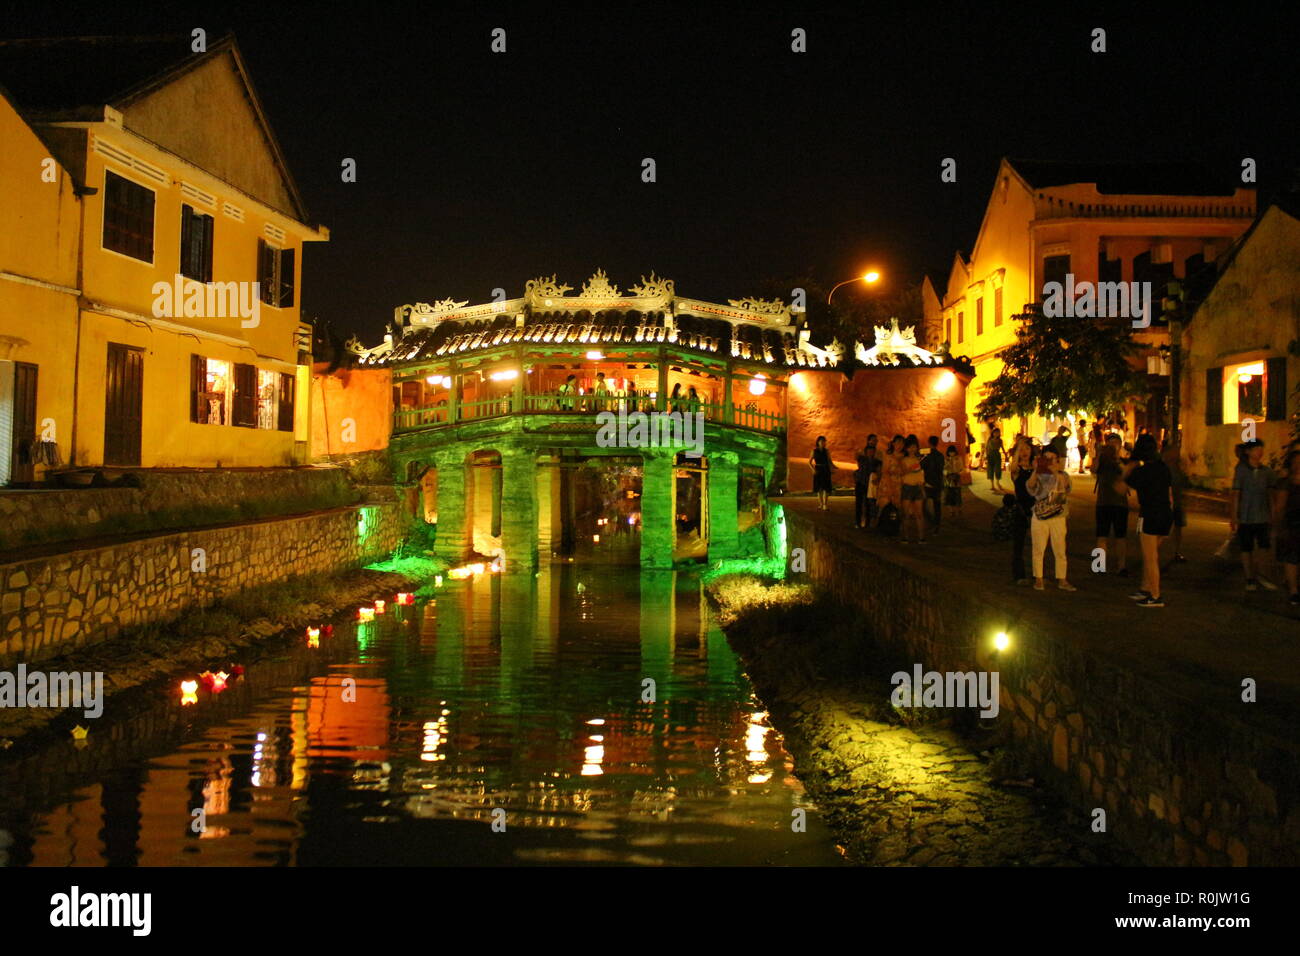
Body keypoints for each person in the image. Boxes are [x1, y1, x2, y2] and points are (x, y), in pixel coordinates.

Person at [1116, 434, 1174, 608]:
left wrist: (1129, 467)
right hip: (1166, 514)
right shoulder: (1163, 468)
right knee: (1151, 554)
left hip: (1150, 514)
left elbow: (1119, 487)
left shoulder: (1141, 471)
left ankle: (1155, 595)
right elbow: (1170, 493)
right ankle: (1145, 588)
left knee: (1150, 557)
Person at [1232, 440, 1278, 591]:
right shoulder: (1241, 470)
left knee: (1264, 546)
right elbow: (1236, 493)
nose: (1259, 452)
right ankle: (1249, 578)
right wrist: (1234, 516)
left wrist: (1273, 513)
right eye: (1256, 449)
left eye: (1261, 449)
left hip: (1262, 515)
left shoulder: (1266, 472)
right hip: (1246, 515)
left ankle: (1259, 573)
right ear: (1248, 452)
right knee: (1246, 547)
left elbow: (1270, 494)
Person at [1026, 447, 1075, 591]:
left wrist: (1055, 471)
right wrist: (1037, 470)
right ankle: (1039, 578)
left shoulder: (1063, 475)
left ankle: (1062, 579)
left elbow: (1065, 489)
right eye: (1045, 458)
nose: (1049, 461)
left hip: (1058, 516)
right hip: (1040, 516)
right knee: (1038, 549)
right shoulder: (1038, 474)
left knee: (1060, 549)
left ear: (1057, 460)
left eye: (1052, 458)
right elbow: (1029, 487)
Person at [1093, 437, 1130, 577]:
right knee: (1102, 535)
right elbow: (1093, 468)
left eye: (1116, 443)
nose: (1113, 446)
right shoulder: (1102, 462)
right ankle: (1099, 565)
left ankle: (1121, 566)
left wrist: (1119, 460)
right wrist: (1098, 454)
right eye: (1111, 443)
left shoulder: (1122, 461)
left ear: (1120, 445)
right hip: (1104, 503)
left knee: (1120, 536)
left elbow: (1128, 475)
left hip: (1120, 504)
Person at [1008, 440, 1036, 584]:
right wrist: (1017, 452)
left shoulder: (1035, 467)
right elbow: (1013, 469)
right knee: (1019, 544)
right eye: (1021, 449)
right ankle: (1019, 575)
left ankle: (1037, 575)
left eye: (1027, 449)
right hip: (1021, 509)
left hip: (1036, 508)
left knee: (1037, 544)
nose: (1025, 452)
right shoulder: (1016, 468)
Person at [1276, 449, 1300, 606]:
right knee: (1292, 556)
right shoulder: (1287, 483)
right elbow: (1280, 506)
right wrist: (1279, 526)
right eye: (1296, 461)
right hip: (1292, 524)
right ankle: (1293, 590)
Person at [1161, 439, 1188, 565]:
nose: (1176, 454)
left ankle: (1176, 552)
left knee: (1178, 528)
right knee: (1162, 529)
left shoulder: (1178, 467)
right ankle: (1154, 550)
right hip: (1165, 503)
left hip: (1177, 502)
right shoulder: (1162, 467)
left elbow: (1184, 483)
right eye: (1174, 452)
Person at [992, 493, 1028, 583]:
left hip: (1004, 536)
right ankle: (1020, 576)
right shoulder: (1017, 512)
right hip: (1015, 536)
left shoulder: (1000, 512)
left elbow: (995, 525)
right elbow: (1024, 524)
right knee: (1017, 556)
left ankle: (1019, 575)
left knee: (1016, 556)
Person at [900, 438, 926, 543]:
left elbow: (921, 475)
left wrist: (922, 488)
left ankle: (921, 537)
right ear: (906, 448)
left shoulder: (920, 459)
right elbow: (902, 473)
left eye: (914, 446)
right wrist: (912, 467)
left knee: (919, 514)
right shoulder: (903, 460)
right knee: (906, 514)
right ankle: (905, 537)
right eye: (910, 447)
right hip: (907, 487)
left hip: (917, 487)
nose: (912, 449)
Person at [854, 435, 880, 529]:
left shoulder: (876, 461)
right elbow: (856, 456)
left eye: (872, 451)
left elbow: (879, 471)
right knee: (859, 504)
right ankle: (858, 522)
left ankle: (867, 523)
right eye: (869, 451)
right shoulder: (862, 458)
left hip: (869, 485)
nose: (870, 453)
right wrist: (859, 449)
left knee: (868, 504)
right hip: (860, 482)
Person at [921, 434, 946, 534]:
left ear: (929, 443)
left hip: (928, 483)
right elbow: (941, 468)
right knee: (937, 505)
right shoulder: (940, 455)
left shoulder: (926, 455)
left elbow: (921, 465)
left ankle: (931, 522)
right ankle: (937, 525)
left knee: (923, 505)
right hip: (938, 483)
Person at [878, 435, 904, 516]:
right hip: (888, 484)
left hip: (900, 484)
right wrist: (889, 487)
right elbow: (885, 472)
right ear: (893, 444)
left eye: (902, 443)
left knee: (898, 508)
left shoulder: (904, 456)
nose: (899, 446)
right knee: (885, 507)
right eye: (897, 443)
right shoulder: (888, 456)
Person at [809, 436, 833, 510]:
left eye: (824, 441)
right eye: (821, 441)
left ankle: (825, 504)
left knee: (826, 487)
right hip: (818, 469)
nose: (823, 443)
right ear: (818, 442)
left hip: (826, 469)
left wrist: (833, 468)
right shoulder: (814, 451)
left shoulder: (827, 451)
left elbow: (829, 461)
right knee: (819, 488)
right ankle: (821, 504)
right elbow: (809, 462)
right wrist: (813, 469)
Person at [943, 444, 963, 521]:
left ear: (955, 452)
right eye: (950, 452)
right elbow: (943, 469)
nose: (951, 453)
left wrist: (957, 472)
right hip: (948, 478)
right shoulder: (946, 459)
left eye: (953, 452)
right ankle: (951, 511)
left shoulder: (958, 458)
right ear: (948, 452)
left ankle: (959, 509)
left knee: (957, 494)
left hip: (956, 477)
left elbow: (961, 468)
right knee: (949, 494)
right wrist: (946, 472)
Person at [986, 426, 1006, 493]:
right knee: (990, 470)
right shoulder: (989, 440)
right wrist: (985, 456)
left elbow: (1002, 448)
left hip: (997, 455)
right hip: (990, 455)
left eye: (998, 432)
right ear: (993, 433)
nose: (996, 434)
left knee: (998, 469)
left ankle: (997, 482)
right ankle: (992, 485)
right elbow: (986, 448)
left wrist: (1006, 455)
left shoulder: (1000, 440)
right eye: (995, 432)